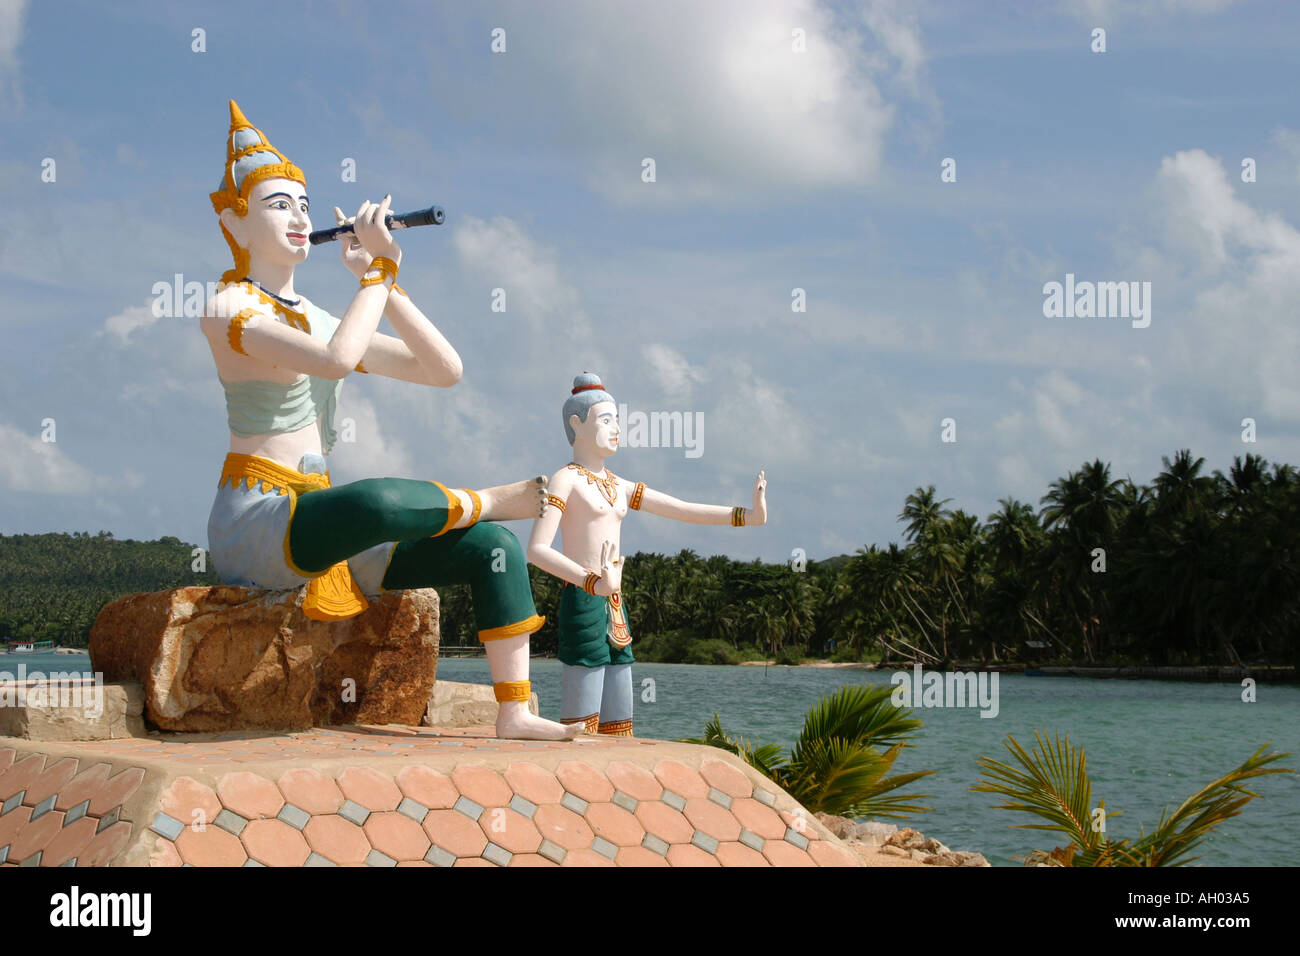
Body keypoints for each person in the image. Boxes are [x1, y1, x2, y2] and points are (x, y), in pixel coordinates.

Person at [200, 100, 580, 740]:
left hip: (324, 519)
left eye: (304, 203)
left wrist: (386, 284)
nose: (299, 218)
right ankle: (485, 499)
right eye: (277, 204)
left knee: (493, 547)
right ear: (236, 223)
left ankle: (516, 711)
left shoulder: (321, 313)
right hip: (260, 520)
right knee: (376, 500)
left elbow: (443, 370)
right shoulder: (225, 306)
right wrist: (376, 271)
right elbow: (336, 361)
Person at [526, 372, 768, 735]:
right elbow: (537, 550)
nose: (616, 428)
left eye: (618, 420)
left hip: (616, 602)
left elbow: (682, 509)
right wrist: (591, 582)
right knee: (582, 722)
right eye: (605, 420)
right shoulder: (566, 480)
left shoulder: (619, 485)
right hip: (584, 597)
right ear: (576, 424)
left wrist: (747, 516)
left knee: (620, 719)